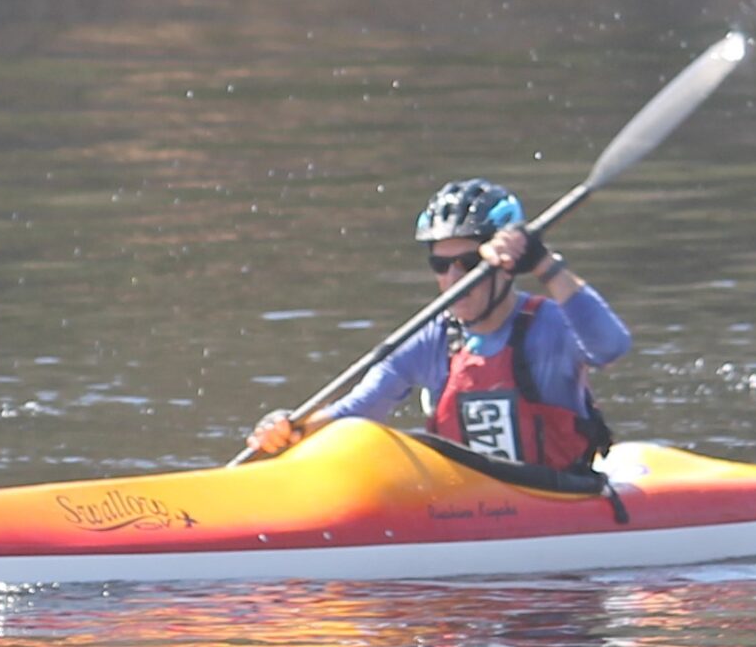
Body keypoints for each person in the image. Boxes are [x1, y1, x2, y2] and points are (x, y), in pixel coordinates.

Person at [246, 178, 630, 470]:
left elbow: (611, 347)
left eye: (468, 263)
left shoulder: (549, 325)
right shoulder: (429, 338)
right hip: (467, 508)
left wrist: (544, 265)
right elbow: (359, 410)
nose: (453, 278)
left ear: (507, 267)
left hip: (559, 497)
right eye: (440, 265)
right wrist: (293, 430)